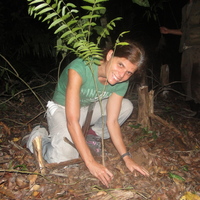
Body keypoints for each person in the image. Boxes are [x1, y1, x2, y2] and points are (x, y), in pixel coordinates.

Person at [23, 40, 149, 188]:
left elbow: (113, 121)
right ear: (110, 55)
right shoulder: (80, 68)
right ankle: (37, 137)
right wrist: (91, 162)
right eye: (120, 65)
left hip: (89, 109)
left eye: (129, 72)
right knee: (63, 159)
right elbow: (72, 121)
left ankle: (91, 135)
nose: (121, 75)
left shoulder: (122, 82)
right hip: (63, 109)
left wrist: (126, 157)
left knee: (126, 106)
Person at [160, 0, 200, 117]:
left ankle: (198, 108)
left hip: (198, 47)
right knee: (186, 79)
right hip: (187, 48)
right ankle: (194, 107)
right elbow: (184, 31)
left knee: (197, 78)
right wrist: (169, 31)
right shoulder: (185, 8)